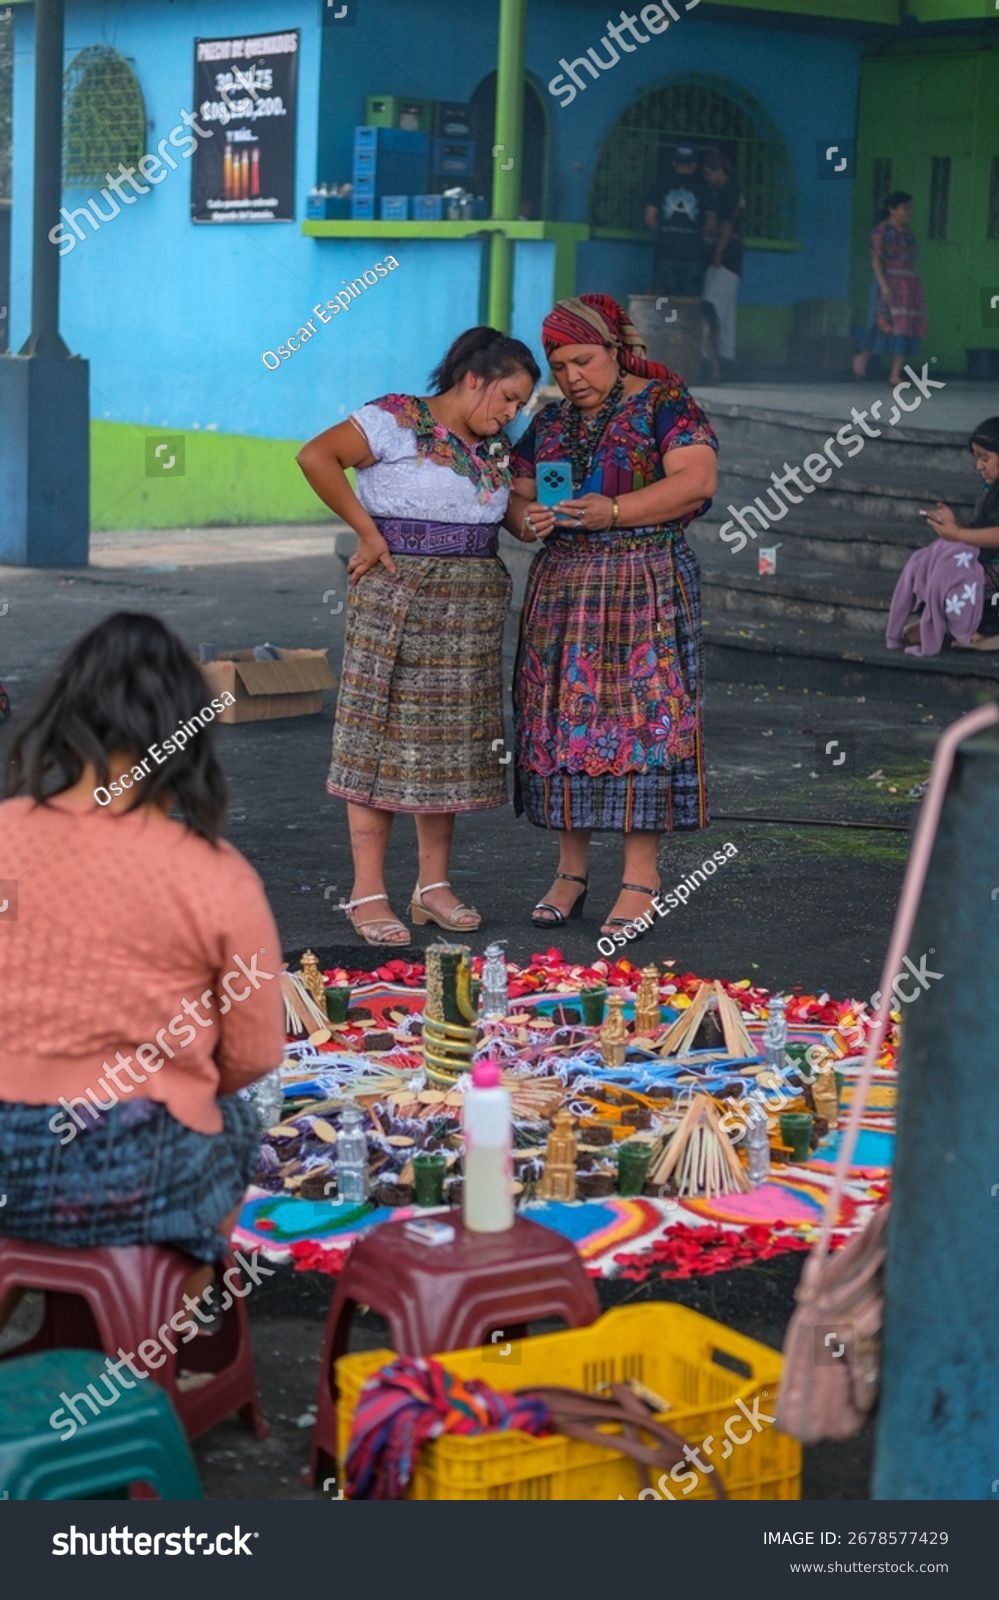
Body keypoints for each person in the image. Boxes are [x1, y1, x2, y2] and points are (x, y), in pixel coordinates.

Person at [0, 613, 285, 1275]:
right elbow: (251, 1054)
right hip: (132, 1173)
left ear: (66, 719)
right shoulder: (213, 873)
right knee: (238, 1121)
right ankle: (158, 1344)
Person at [297, 327, 540, 946]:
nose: (512, 413)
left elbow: (507, 516)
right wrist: (367, 532)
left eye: (520, 406)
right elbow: (315, 456)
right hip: (399, 594)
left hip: (471, 609)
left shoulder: (492, 447)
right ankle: (367, 892)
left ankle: (433, 887)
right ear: (474, 379)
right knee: (376, 739)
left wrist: (534, 518)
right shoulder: (393, 419)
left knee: (449, 749)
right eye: (508, 398)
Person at [506, 293, 718, 937]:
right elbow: (514, 499)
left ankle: (640, 879)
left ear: (615, 351)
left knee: (643, 720)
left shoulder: (664, 405)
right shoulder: (550, 422)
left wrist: (616, 511)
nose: (572, 376)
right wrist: (528, 521)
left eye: (584, 360)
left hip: (643, 580)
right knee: (561, 720)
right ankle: (570, 874)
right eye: (559, 365)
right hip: (564, 588)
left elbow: (697, 480)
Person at [920, 416, 999, 652]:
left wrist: (958, 534)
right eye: (977, 459)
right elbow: (983, 531)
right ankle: (952, 623)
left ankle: (979, 630)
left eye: (985, 458)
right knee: (941, 565)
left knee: (976, 580)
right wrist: (955, 526)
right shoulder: (992, 489)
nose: (979, 466)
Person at [852, 192, 926, 388]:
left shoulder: (907, 233)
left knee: (904, 326)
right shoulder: (881, 231)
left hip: (908, 283)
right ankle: (863, 357)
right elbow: (875, 260)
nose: (908, 212)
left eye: (910, 208)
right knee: (881, 323)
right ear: (892, 209)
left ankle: (895, 374)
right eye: (904, 208)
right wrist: (884, 285)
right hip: (888, 281)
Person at [701, 150, 747, 379]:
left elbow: (727, 226)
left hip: (725, 260)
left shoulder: (728, 192)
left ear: (720, 171)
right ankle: (726, 360)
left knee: (711, 310)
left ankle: (706, 359)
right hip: (734, 260)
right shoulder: (733, 191)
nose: (706, 178)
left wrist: (718, 251)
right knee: (726, 313)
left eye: (709, 173)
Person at [644, 143, 711, 298]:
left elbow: (648, 219)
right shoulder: (703, 188)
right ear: (695, 165)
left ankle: (671, 323)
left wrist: (664, 233)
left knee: (666, 304)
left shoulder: (660, 185)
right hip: (694, 256)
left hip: (665, 253)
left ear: (674, 163)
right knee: (690, 306)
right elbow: (711, 224)